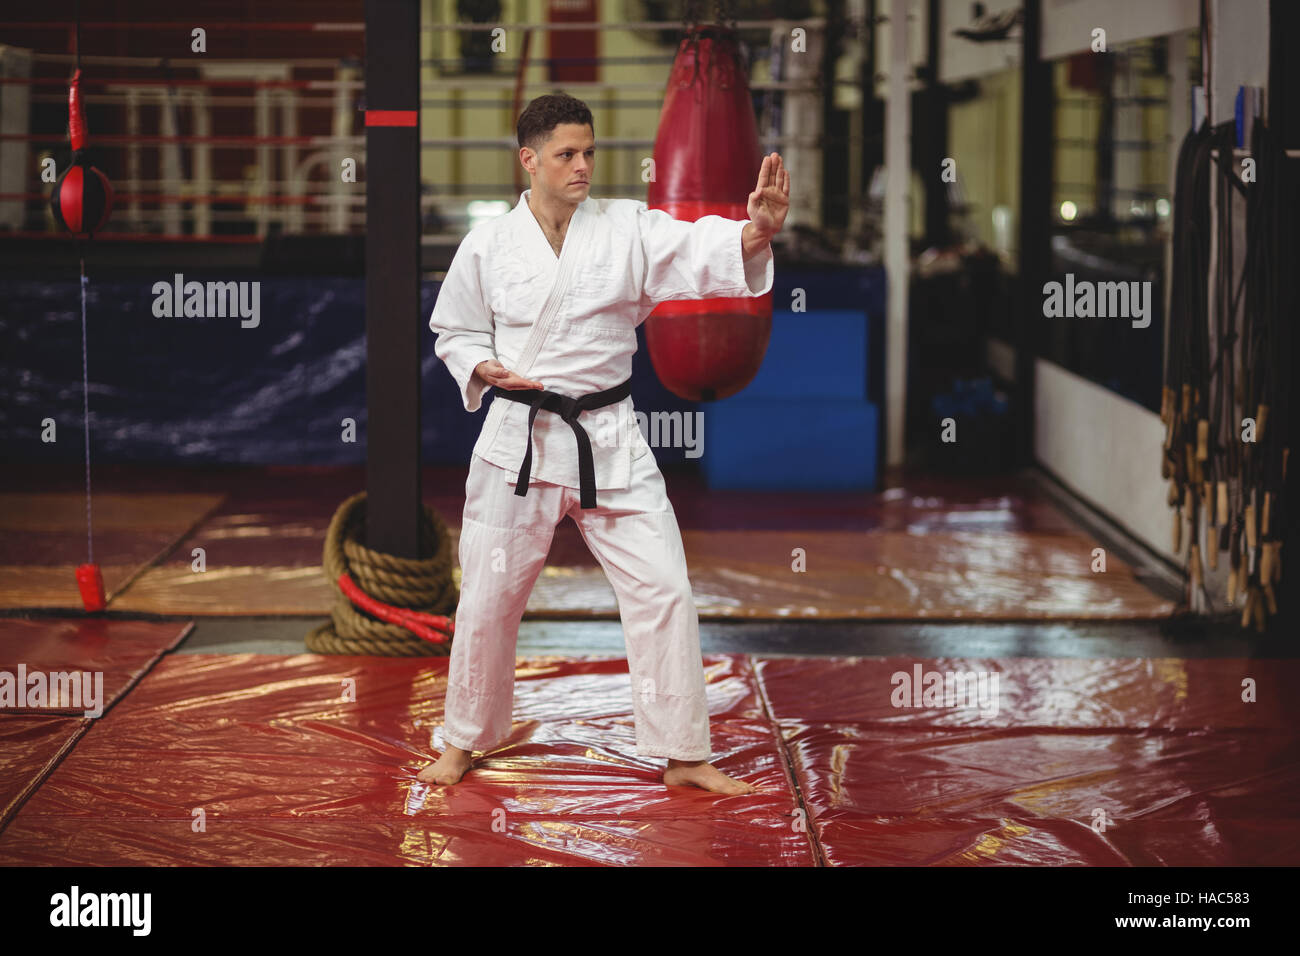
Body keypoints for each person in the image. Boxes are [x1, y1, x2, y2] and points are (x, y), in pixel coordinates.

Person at [420, 93, 788, 794]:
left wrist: (754, 232)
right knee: (488, 600)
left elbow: (695, 246)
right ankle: (464, 740)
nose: (583, 165)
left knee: (664, 589)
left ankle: (684, 753)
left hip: (609, 438)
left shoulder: (626, 228)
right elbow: (455, 329)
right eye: (566, 155)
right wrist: (477, 365)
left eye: (589, 152)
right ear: (529, 160)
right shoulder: (490, 244)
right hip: (516, 441)